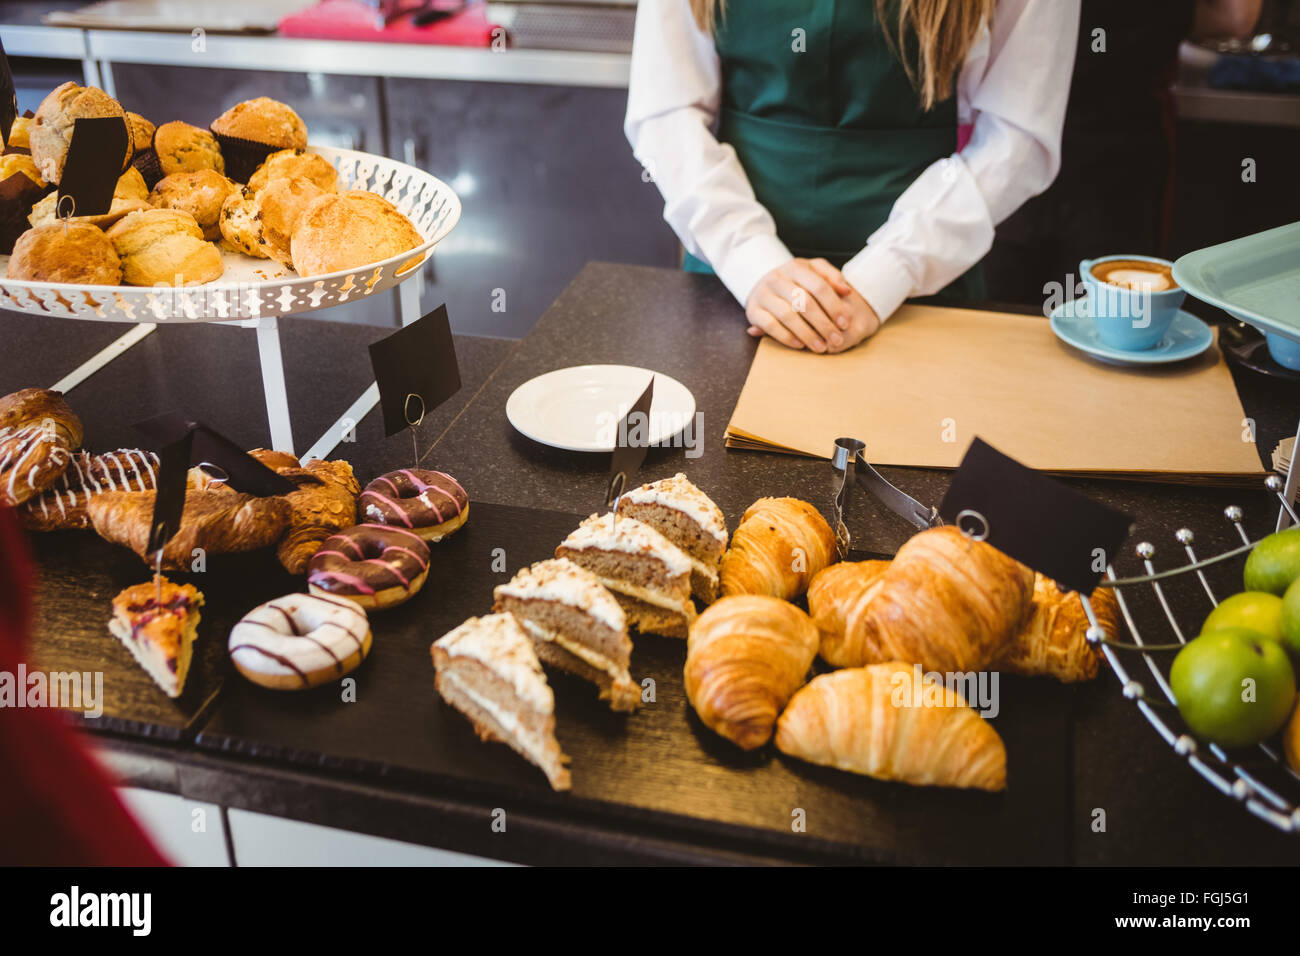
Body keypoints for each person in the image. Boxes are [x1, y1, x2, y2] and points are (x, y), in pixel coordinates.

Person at [625, 0, 1080, 353]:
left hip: (923, 288)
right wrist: (753, 262)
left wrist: (884, 276)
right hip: (729, 283)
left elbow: (1018, 135)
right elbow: (667, 110)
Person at [982, 0, 1264, 306]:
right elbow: (1235, 16)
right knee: (1109, 324)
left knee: (995, 321)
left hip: (1012, 151)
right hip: (1113, 157)